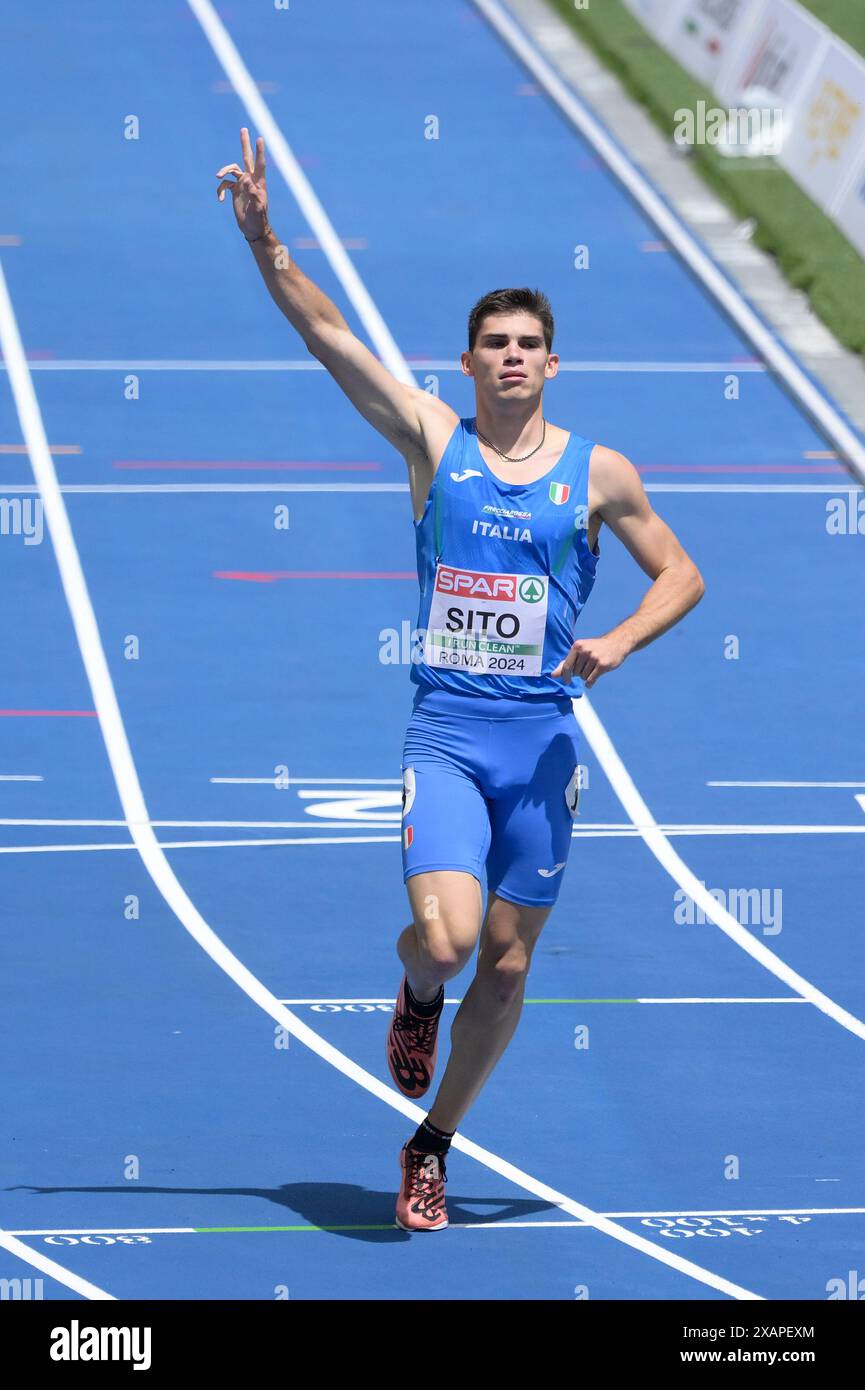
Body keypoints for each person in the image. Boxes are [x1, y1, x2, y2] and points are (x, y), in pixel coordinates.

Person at [217, 128, 705, 1232]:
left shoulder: (599, 472)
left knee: (509, 962)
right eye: (495, 343)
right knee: (446, 943)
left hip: (540, 750)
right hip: (446, 734)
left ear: (553, 361)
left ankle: (432, 1141)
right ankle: (415, 991)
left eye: (531, 341)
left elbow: (681, 572)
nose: (514, 357)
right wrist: (266, 244)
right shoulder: (434, 443)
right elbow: (330, 335)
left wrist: (621, 638)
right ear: (469, 362)